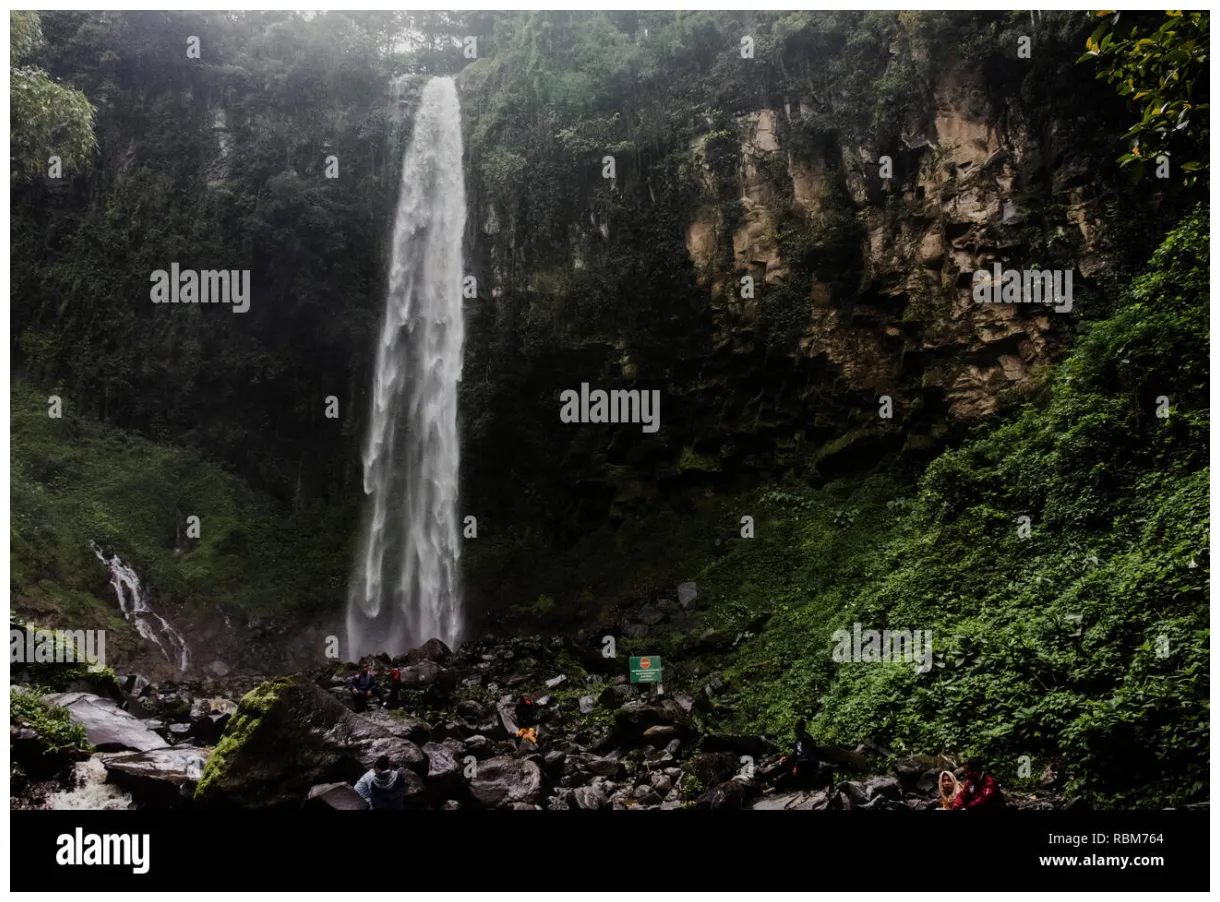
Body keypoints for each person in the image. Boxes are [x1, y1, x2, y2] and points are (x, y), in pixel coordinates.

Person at [761, 719, 823, 791]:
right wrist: (787, 757)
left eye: (796, 726)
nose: (794, 728)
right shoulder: (798, 739)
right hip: (798, 760)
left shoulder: (807, 739)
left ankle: (775, 784)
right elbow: (796, 753)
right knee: (781, 764)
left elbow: (807, 755)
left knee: (790, 767)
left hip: (806, 762)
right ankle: (767, 782)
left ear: (801, 727)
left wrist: (796, 765)